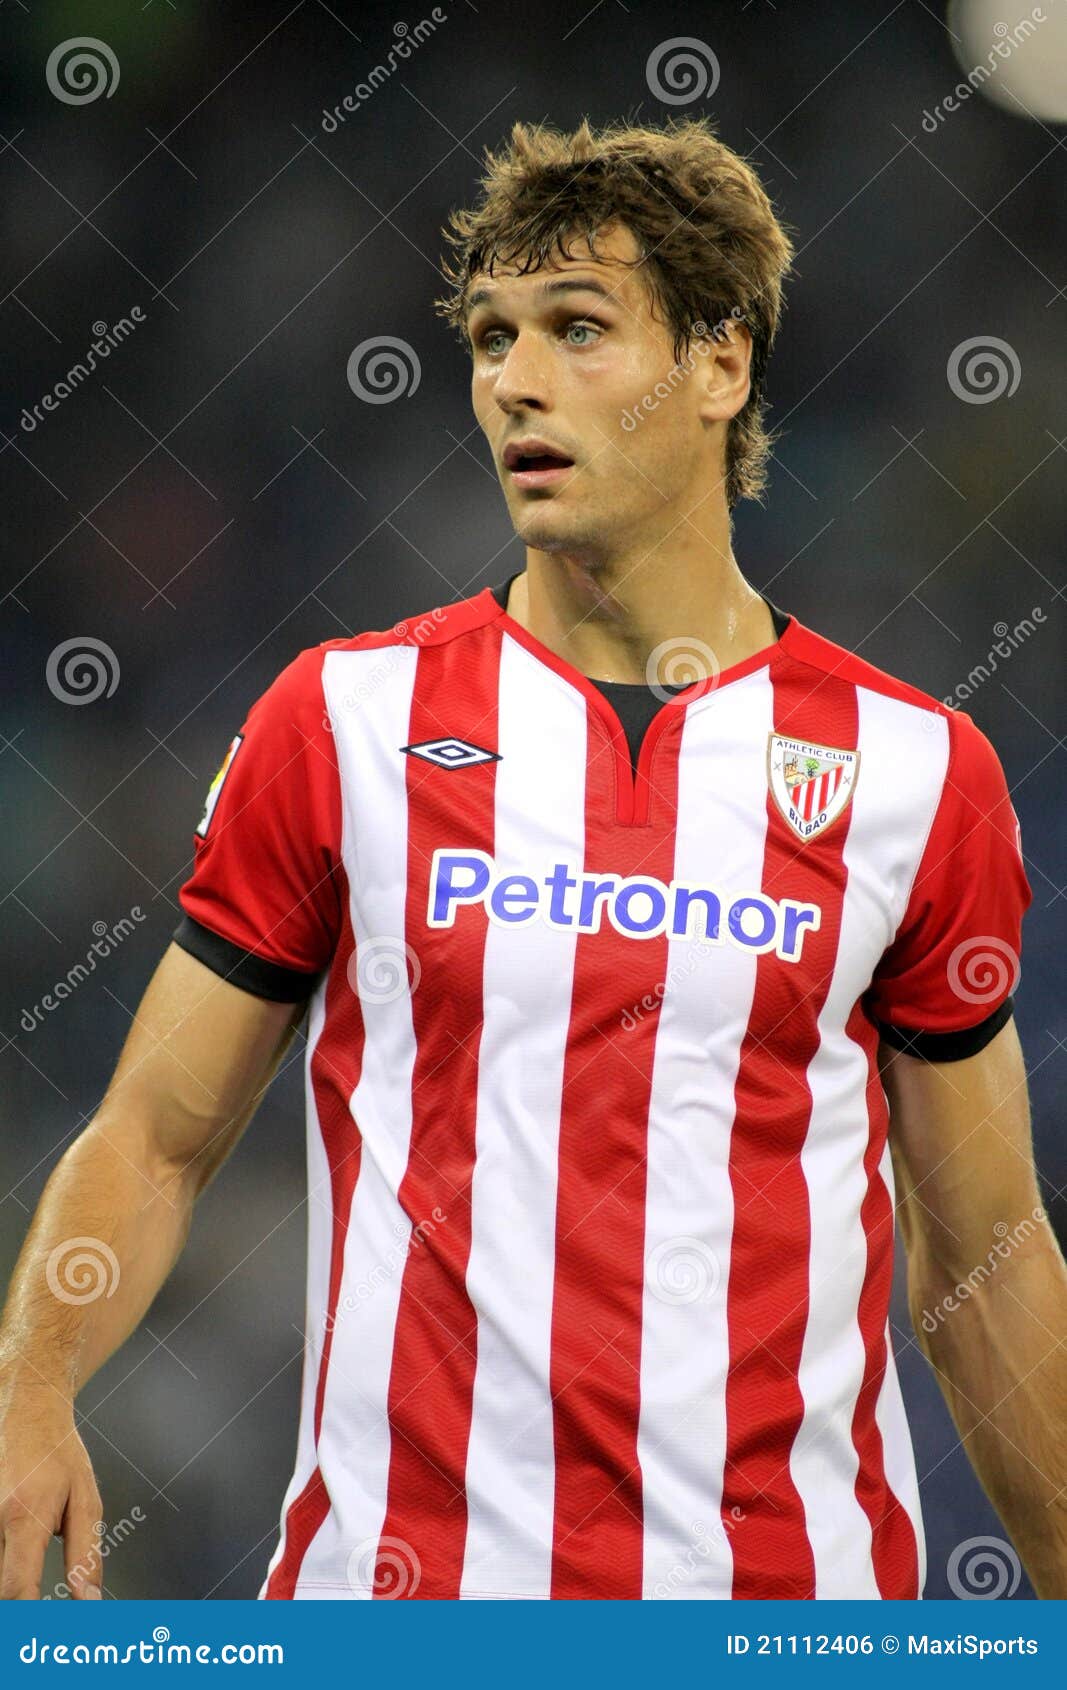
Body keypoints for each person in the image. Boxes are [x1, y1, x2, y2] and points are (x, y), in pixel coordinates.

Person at [1, 117, 1063, 1602]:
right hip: (401, 1618)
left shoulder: (915, 771)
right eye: (493, 337)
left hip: (778, 1624)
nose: (514, 379)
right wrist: (29, 1388)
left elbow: (991, 1257)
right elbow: (155, 1138)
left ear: (719, 363)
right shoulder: (346, 721)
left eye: (578, 328)